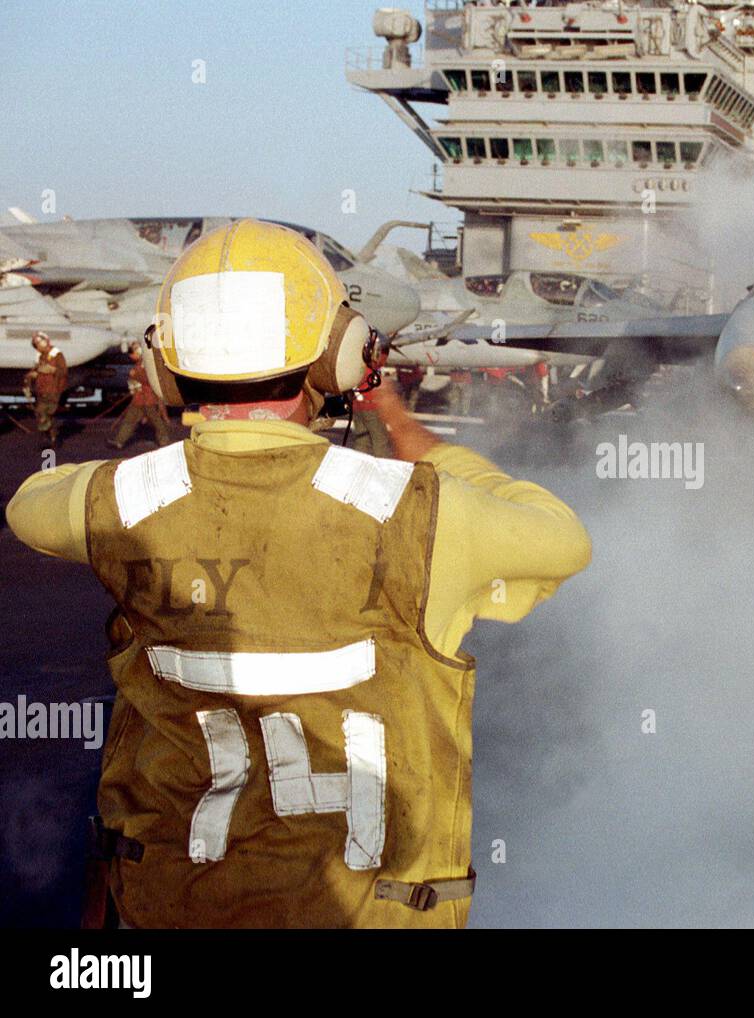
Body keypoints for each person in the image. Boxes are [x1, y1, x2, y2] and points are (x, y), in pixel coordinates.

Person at [5, 220, 591, 928]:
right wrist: (403, 426)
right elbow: (562, 537)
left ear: (161, 369)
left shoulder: (122, 504)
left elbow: (33, 505)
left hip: (173, 913)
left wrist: (178, 468)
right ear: (338, 360)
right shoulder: (420, 515)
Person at [108, 342, 172, 449]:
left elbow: (149, 380)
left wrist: (135, 375)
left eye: (132, 354)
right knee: (129, 420)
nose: (131, 356)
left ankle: (164, 441)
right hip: (139, 399)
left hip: (148, 399)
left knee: (157, 421)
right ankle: (119, 441)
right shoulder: (140, 364)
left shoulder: (146, 364)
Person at [23, 331, 68, 448]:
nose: (38, 345)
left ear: (46, 341)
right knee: (45, 415)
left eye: (39, 342)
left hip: (53, 389)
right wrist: (32, 376)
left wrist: (52, 370)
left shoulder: (56, 354)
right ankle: (53, 439)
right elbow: (38, 371)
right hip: (42, 390)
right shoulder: (40, 356)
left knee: (43, 413)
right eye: (36, 344)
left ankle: (48, 438)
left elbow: (63, 371)